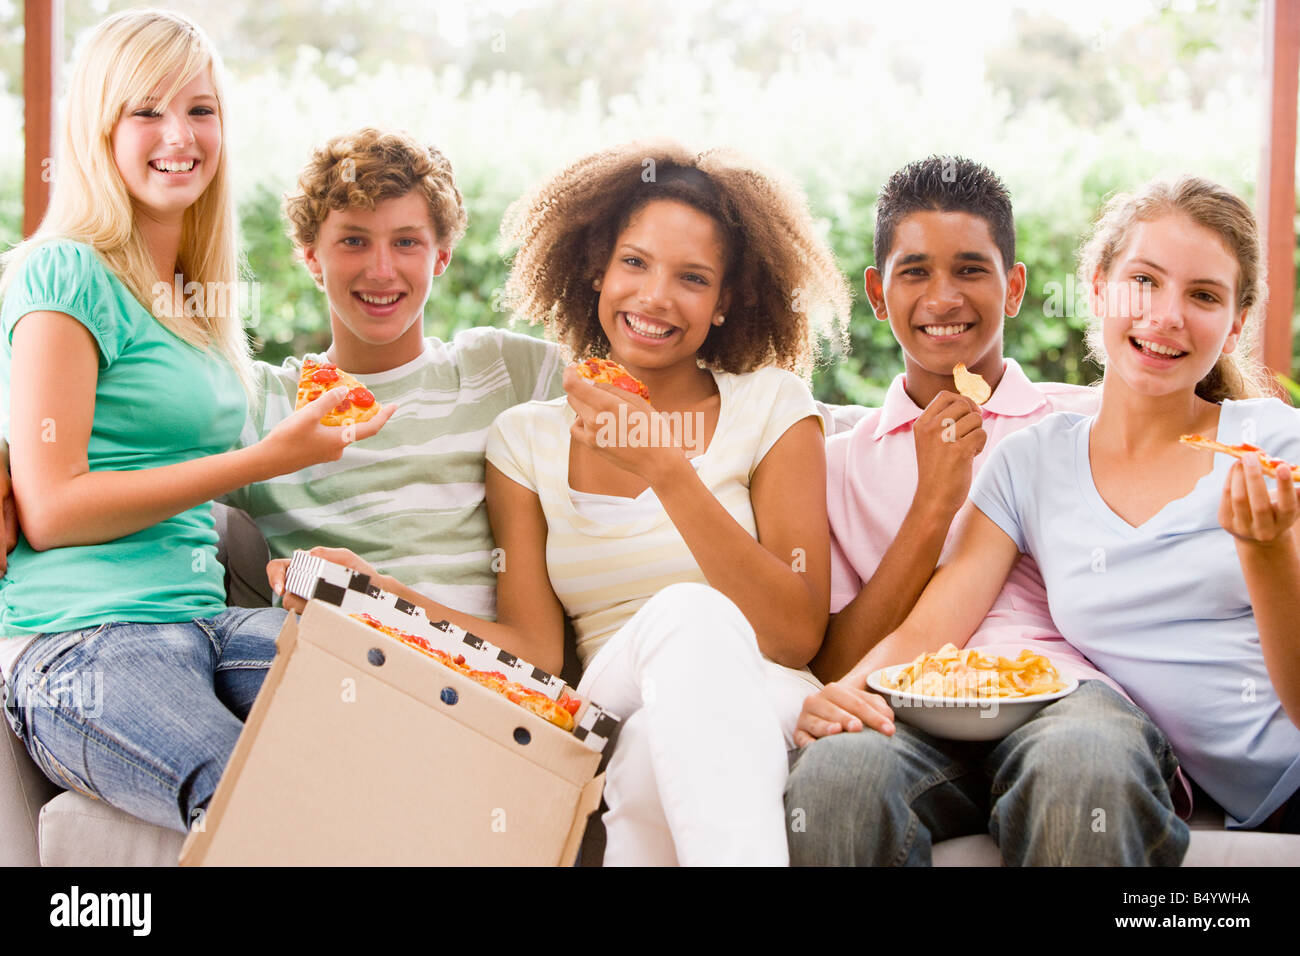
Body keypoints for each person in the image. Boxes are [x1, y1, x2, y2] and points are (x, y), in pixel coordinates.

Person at [273, 141, 852, 864]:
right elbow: (538, 654)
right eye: (634, 263)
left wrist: (667, 471)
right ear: (598, 269)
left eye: (693, 278)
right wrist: (379, 592)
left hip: (762, 689)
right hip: (612, 689)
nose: (654, 297)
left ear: (726, 299)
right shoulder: (526, 439)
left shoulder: (771, 406)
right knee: (684, 619)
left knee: (645, 759)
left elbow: (796, 635)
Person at [789, 174, 1300, 865]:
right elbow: (935, 625)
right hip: (1233, 792)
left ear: (1235, 323)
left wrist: (1268, 552)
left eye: (1204, 295)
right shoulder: (1031, 461)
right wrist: (841, 695)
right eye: (1143, 281)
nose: (1167, 315)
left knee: (1084, 766)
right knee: (836, 780)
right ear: (1096, 289)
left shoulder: (1272, 448)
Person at [0, 10, 390, 833]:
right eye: (145, 110)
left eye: (200, 109)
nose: (179, 134)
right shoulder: (65, 271)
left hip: (203, 619)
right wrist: (264, 461)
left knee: (414, 723)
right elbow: (52, 507)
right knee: (263, 816)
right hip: (86, 641)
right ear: (98, 127)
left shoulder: (191, 297)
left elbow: (186, 465)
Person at [220, 127, 565, 619]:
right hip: (343, 666)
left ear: (441, 255)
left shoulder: (502, 368)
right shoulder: (262, 404)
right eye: (354, 241)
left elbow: (654, 392)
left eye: (406, 242)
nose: (381, 270)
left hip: (485, 677)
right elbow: (132, 471)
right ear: (312, 258)